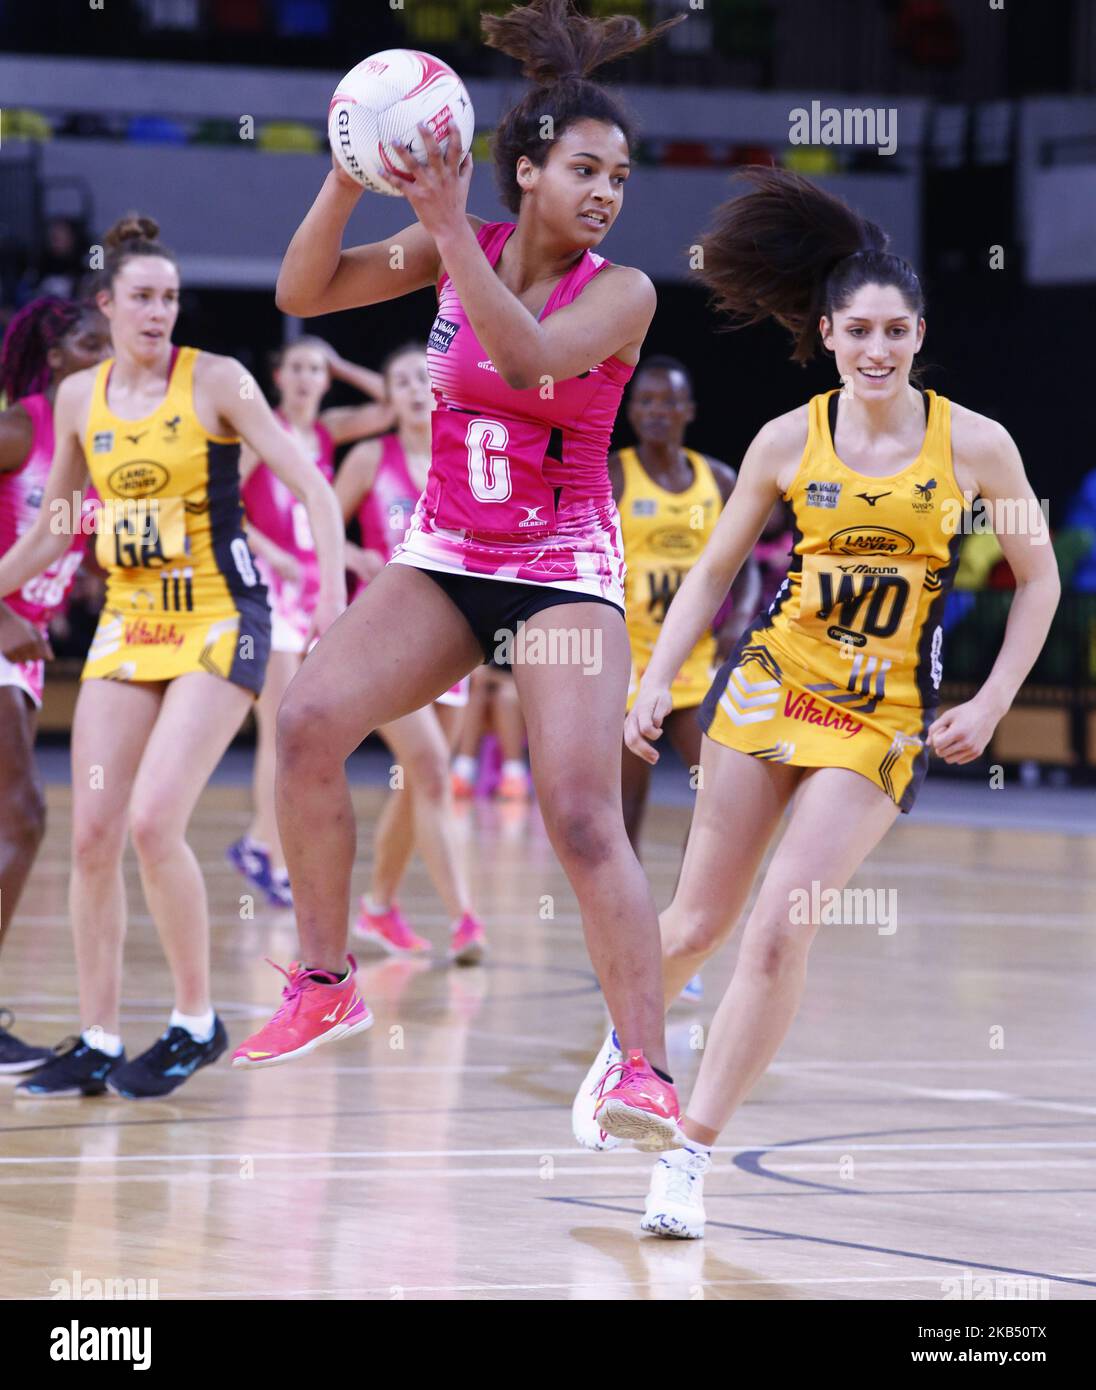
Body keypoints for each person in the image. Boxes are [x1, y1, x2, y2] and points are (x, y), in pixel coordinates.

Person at [233, 0, 691, 1150]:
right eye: (585, 169)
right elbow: (303, 291)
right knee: (305, 721)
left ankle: (643, 1068)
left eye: (620, 177)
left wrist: (440, 227)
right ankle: (327, 978)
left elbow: (532, 360)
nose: (605, 193)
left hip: (560, 570)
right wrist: (350, 166)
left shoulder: (620, 291)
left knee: (582, 816)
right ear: (526, 170)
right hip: (446, 556)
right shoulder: (459, 242)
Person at [572, 168, 1061, 1231]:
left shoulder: (974, 443)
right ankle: (626, 1052)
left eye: (895, 330)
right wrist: (654, 680)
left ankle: (688, 1158)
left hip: (879, 719)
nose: (877, 348)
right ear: (827, 336)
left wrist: (988, 701)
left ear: (917, 332)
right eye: (858, 331)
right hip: (769, 685)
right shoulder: (789, 437)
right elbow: (711, 571)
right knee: (697, 919)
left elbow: (1042, 579)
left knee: (779, 929)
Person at [0, 214, 346, 1099]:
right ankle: (97, 1035)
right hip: (129, 620)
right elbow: (56, 527)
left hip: (220, 618)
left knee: (155, 821)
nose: (160, 312)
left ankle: (196, 1021)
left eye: (171, 298)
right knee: (91, 834)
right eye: (143, 298)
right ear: (107, 305)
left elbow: (309, 483)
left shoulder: (219, 381)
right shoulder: (81, 401)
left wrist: (337, 604)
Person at [334, 342, 488, 960]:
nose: (414, 390)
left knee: (415, 784)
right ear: (389, 396)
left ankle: (376, 909)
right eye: (400, 382)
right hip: (383, 641)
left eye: (422, 379)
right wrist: (352, 556)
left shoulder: (469, 451)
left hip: (453, 638)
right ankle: (466, 921)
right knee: (428, 770)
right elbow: (322, 522)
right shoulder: (371, 456)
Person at [227, 336, 393, 907]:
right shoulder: (262, 431)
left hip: (307, 593)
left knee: (293, 727)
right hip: (264, 591)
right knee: (279, 726)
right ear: (278, 375)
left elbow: (392, 406)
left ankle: (260, 845)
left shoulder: (326, 432)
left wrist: (342, 360)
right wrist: (270, 552)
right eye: (296, 366)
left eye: (315, 369)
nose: (305, 377)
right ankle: (263, 848)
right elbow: (224, 503)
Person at [0, 296, 111, 1072]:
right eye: (92, 342)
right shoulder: (22, 425)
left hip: (30, 653)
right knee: (24, 816)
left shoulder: (95, 443)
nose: (110, 355)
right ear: (58, 355)